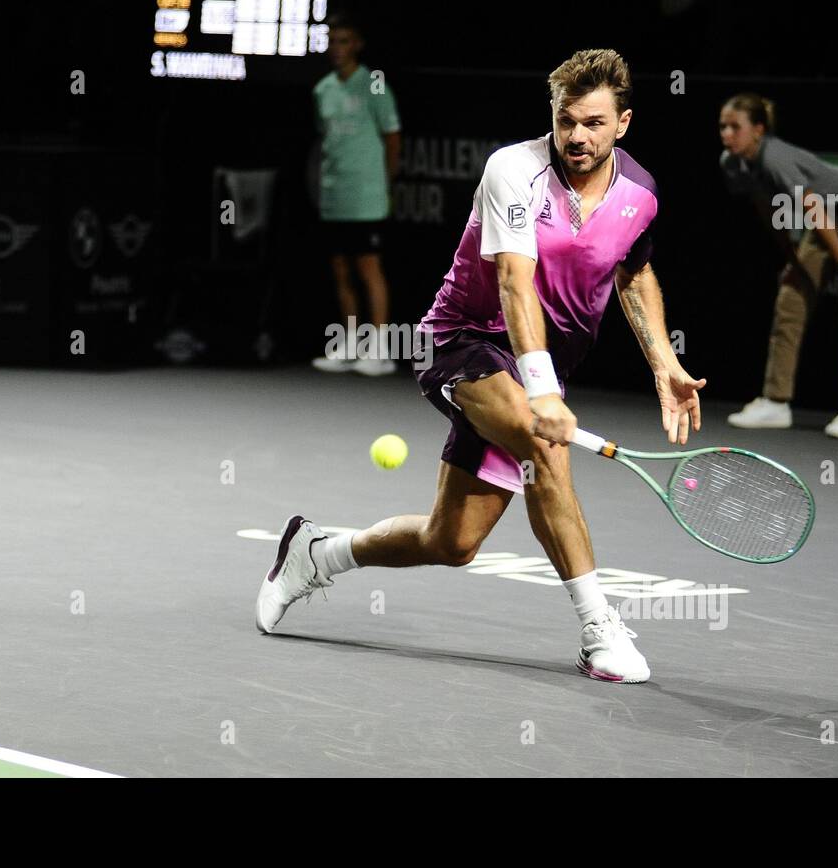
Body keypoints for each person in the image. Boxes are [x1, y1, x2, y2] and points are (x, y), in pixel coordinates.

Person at [258, 49, 706, 684]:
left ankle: (318, 552)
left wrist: (664, 361)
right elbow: (515, 288)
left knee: (453, 542)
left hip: (534, 370)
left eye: (594, 123)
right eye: (566, 120)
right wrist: (544, 394)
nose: (577, 136)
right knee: (541, 444)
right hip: (464, 341)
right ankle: (599, 629)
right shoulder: (512, 171)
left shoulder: (641, 195)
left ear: (623, 124)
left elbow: (635, 272)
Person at [718, 93, 838, 439]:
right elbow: (766, 208)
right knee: (792, 296)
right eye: (722, 126)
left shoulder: (775, 158)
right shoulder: (732, 162)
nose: (726, 133)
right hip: (826, 222)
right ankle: (775, 402)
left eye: (734, 127)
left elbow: (814, 208)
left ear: (758, 130)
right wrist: (793, 259)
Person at [309, 12, 402, 376]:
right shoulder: (322, 90)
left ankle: (378, 348)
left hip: (368, 196)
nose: (337, 48)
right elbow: (324, 142)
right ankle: (348, 344)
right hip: (334, 196)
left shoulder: (375, 84)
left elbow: (392, 138)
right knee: (341, 271)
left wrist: (386, 182)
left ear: (357, 45)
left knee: (368, 268)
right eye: (332, 41)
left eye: (344, 41)